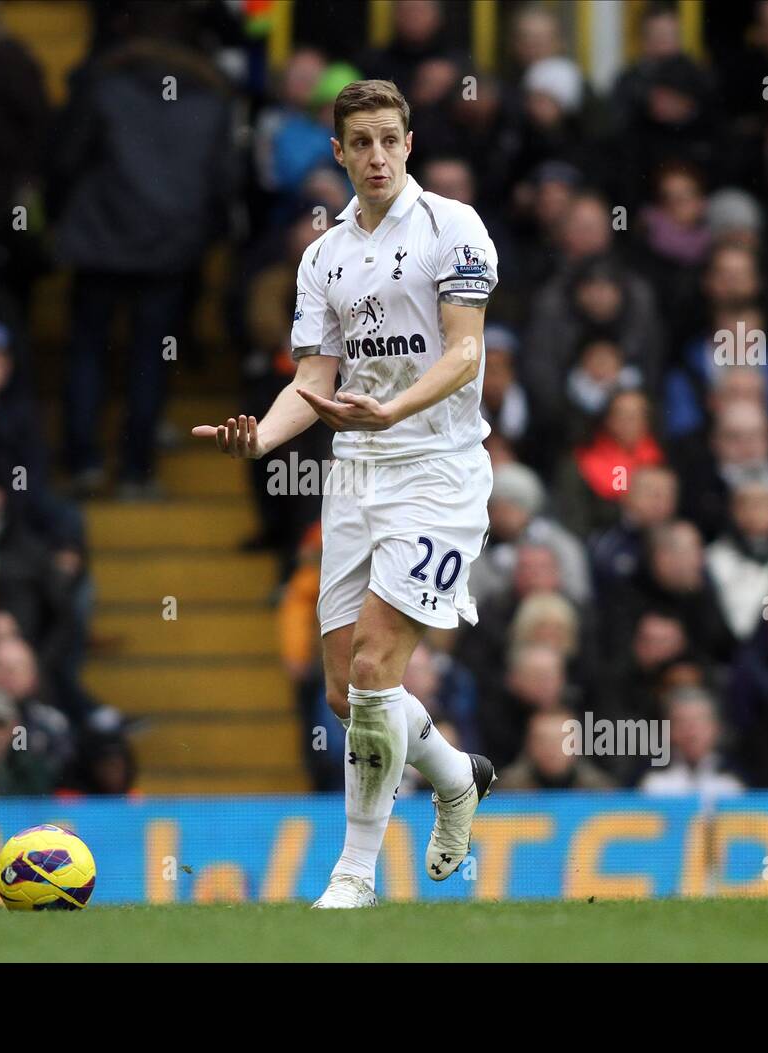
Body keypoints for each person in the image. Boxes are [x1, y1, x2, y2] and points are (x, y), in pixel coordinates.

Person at [193, 79, 498, 908]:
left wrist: (395, 406)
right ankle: (453, 775)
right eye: (358, 142)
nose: (374, 155)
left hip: (436, 470)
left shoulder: (452, 227)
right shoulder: (323, 255)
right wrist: (259, 435)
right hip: (355, 475)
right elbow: (315, 380)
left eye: (387, 140)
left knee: (372, 665)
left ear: (409, 143)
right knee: (345, 690)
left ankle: (355, 873)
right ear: (337, 151)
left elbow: (466, 353)